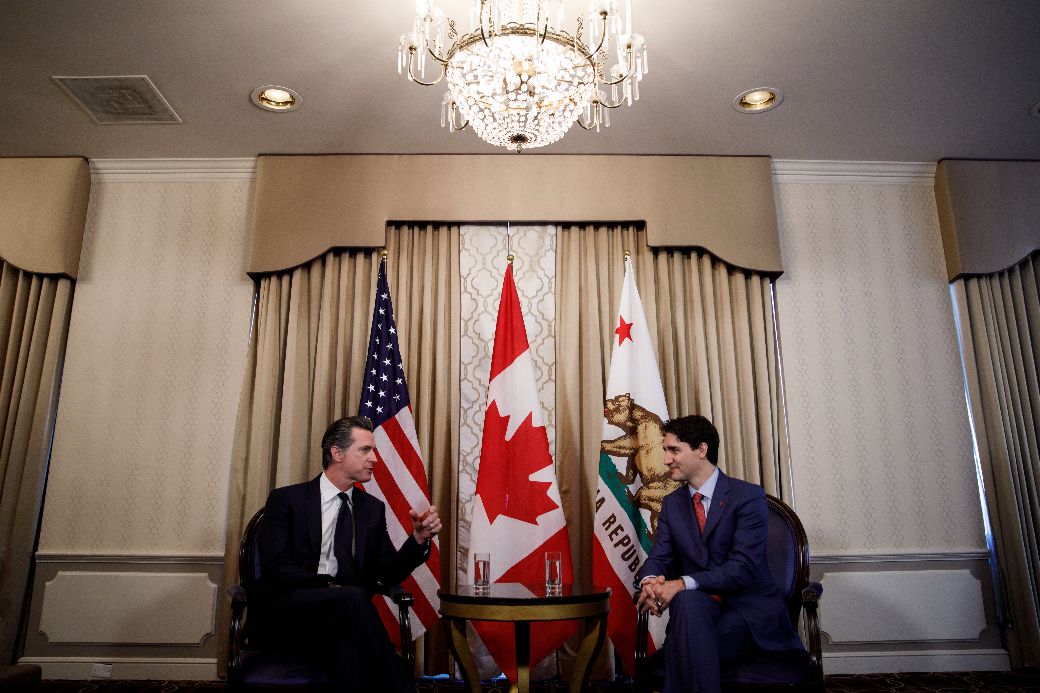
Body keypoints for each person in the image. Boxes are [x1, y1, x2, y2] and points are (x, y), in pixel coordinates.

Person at [252, 416, 442, 693]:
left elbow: (386, 572)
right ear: (336, 453)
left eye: (373, 450)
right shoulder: (287, 500)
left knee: (348, 649)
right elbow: (276, 568)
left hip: (346, 617)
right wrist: (330, 586)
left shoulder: (371, 508)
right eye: (365, 450)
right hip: (293, 612)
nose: (374, 458)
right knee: (352, 597)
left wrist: (418, 539)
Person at [635, 415, 803, 693]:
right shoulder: (673, 504)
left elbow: (742, 568)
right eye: (665, 451)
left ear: (701, 450)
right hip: (698, 610)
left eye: (674, 450)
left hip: (746, 613)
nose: (666, 460)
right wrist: (650, 581)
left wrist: (680, 583)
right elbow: (661, 555)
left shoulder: (747, 496)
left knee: (685, 636)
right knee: (688, 605)